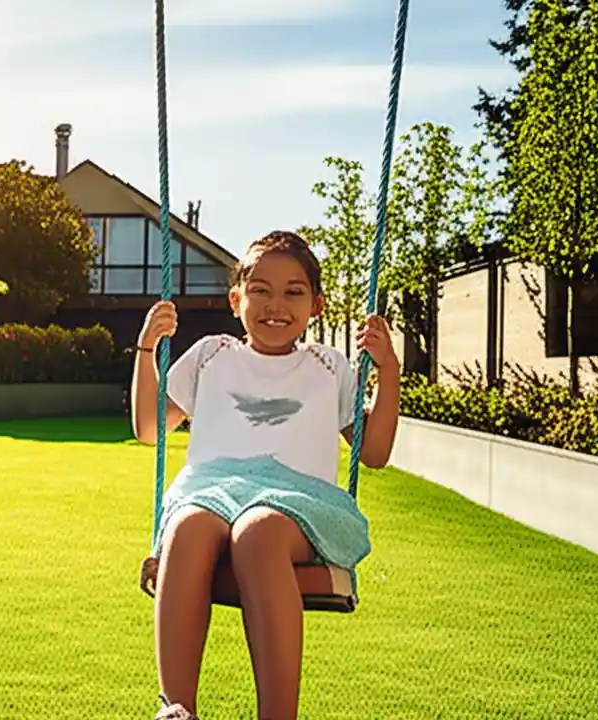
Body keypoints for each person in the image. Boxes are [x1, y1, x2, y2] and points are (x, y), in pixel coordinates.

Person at [131, 230, 400, 719]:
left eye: (294, 292)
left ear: (316, 304)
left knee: (258, 531)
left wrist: (389, 370)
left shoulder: (329, 366)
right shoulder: (212, 356)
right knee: (187, 528)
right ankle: (176, 709)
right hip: (212, 492)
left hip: (298, 504)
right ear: (236, 300)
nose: (275, 304)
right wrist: (148, 348)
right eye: (260, 290)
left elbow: (375, 452)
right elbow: (151, 428)